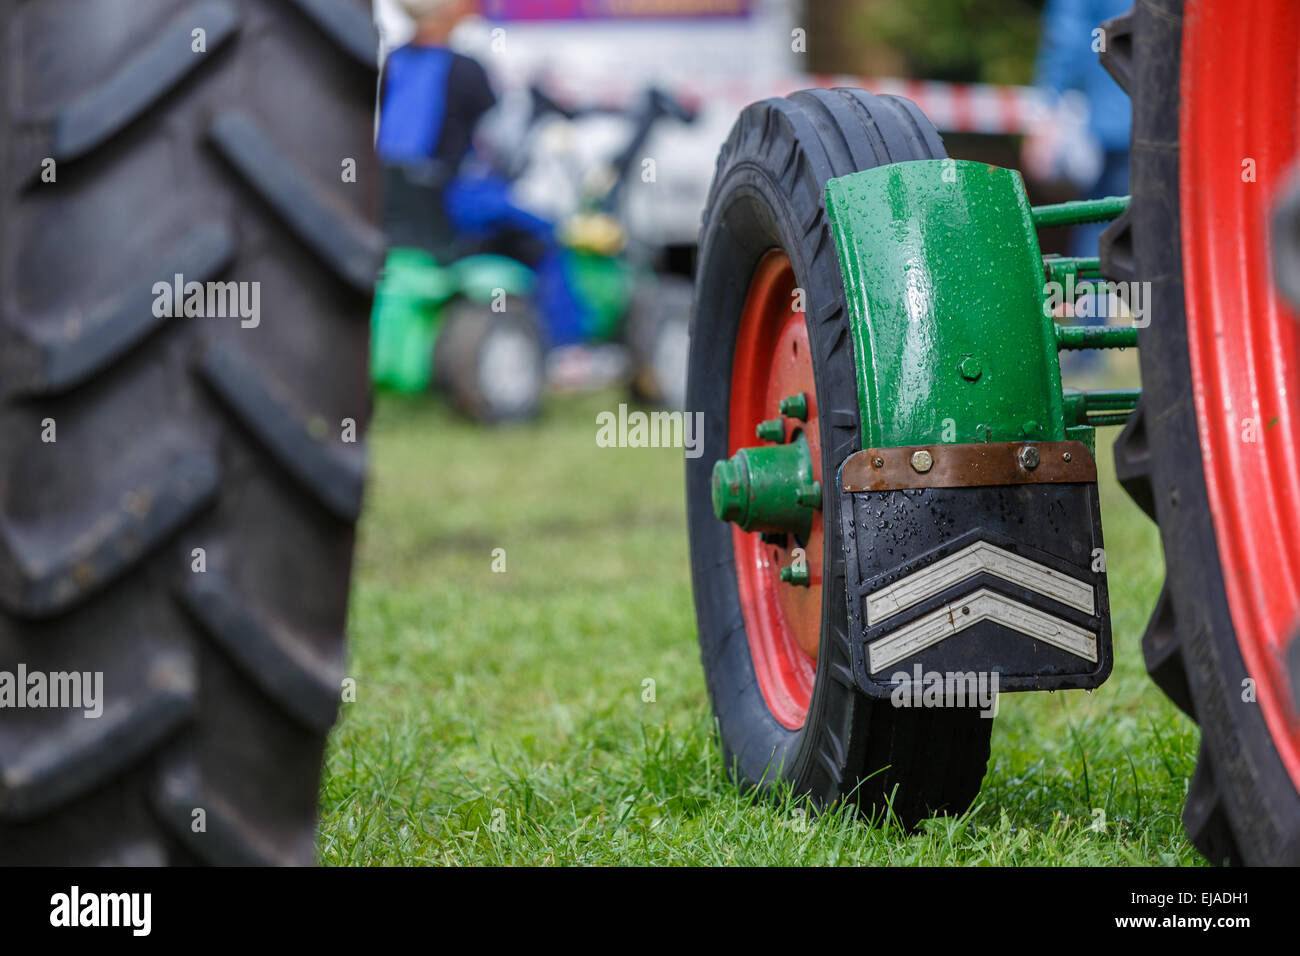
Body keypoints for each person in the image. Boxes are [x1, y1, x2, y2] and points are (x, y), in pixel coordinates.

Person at [377, 0, 587, 346]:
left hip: (396, 199)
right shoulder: (465, 69)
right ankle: (567, 344)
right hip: (451, 198)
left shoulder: (393, 63)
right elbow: (497, 136)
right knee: (548, 232)